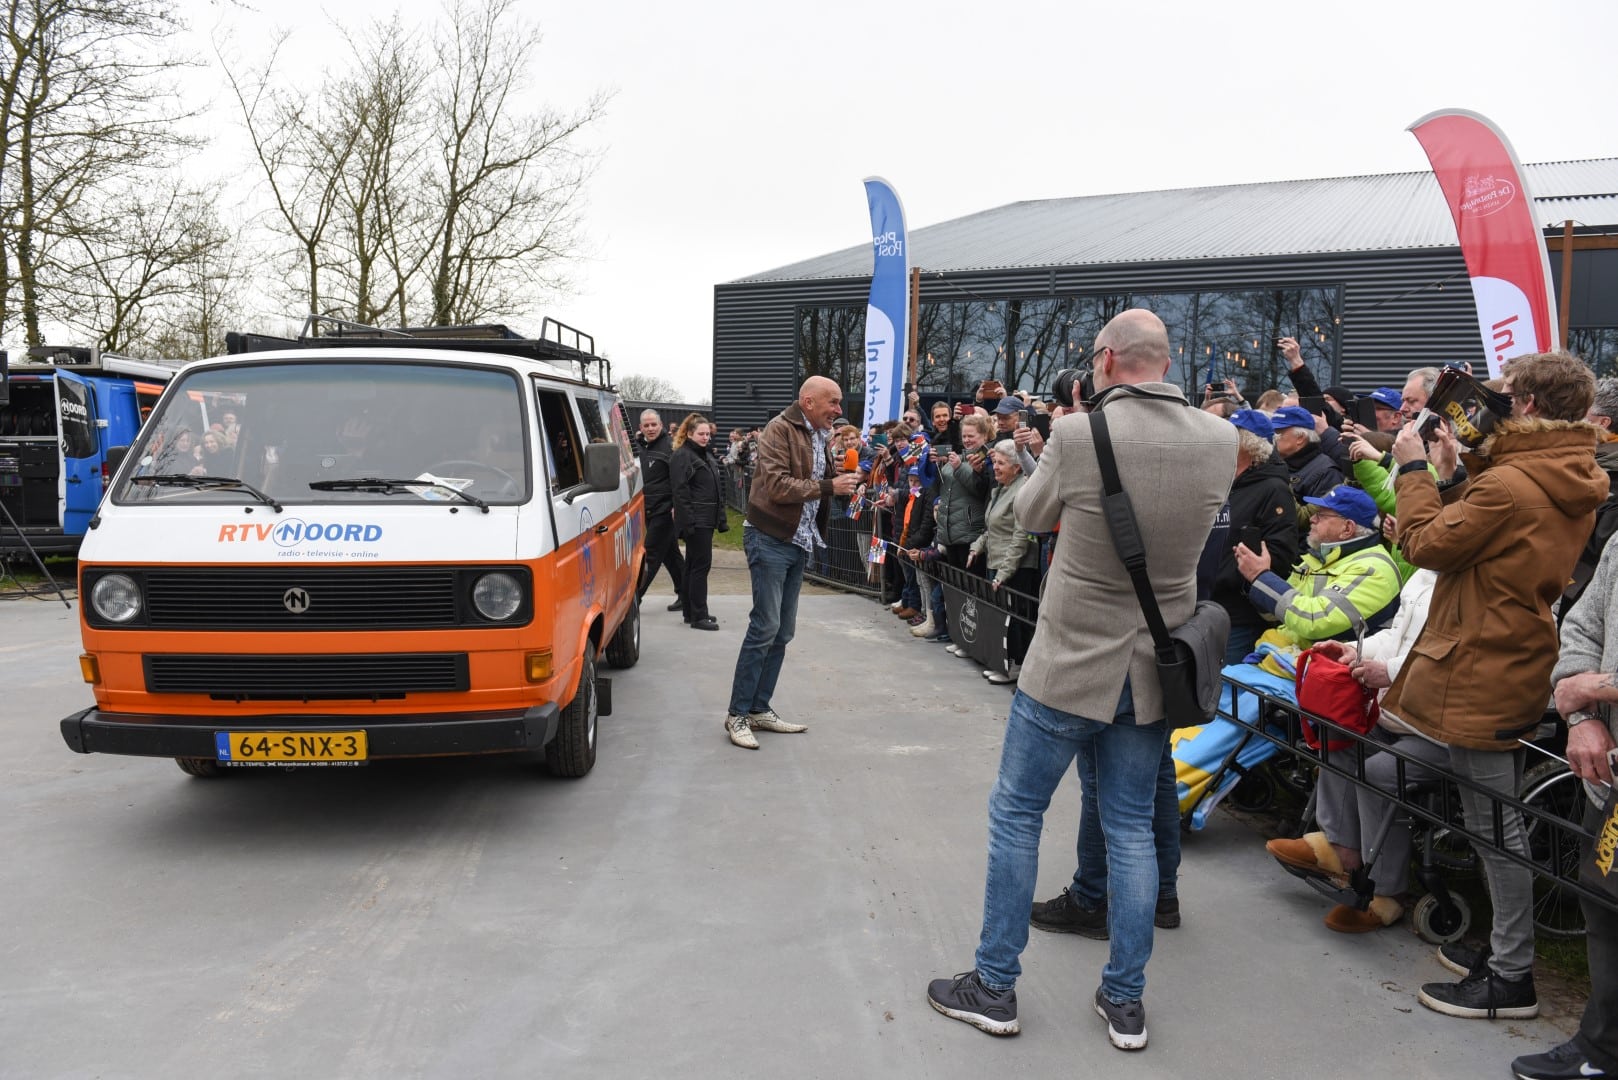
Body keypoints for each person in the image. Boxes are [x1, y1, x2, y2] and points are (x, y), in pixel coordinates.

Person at [926, 308, 1236, 1050]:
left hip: (1068, 662)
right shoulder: (1222, 439)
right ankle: (1125, 1001)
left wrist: (1055, 449)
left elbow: (1031, 513)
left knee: (1018, 814)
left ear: (1105, 359)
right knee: (1130, 829)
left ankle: (995, 986)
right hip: (1151, 667)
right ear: (1164, 361)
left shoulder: (1077, 432)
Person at [1381, 351, 1607, 1022]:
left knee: (1495, 829)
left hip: (1483, 661)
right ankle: (1507, 956)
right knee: (1492, 823)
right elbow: (1481, 542)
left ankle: (1511, 977)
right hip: (1501, 653)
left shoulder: (1512, 483)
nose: (1492, 401)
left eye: (1504, 393)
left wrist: (1415, 467)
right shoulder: (1560, 473)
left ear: (1529, 406)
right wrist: (1455, 472)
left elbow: (1423, 543)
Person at [1264, 560, 1446, 933]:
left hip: (1440, 729)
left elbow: (1450, 663)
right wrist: (1354, 649)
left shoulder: (1471, 582)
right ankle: (1339, 848)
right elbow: (1396, 634)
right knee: (1340, 735)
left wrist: (1390, 671)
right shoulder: (1427, 573)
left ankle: (1385, 891)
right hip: (1398, 712)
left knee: (1381, 771)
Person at [1523, 532, 1618, 1080]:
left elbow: (1589, 679)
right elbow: (1581, 627)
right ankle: (1600, 1048)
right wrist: (1582, 721)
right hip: (1606, 782)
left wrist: (1596, 688)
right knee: (1604, 908)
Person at [723, 376, 861, 750]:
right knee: (765, 626)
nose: (838, 409)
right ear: (808, 401)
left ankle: (758, 708)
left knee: (782, 631)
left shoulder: (818, 434)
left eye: (838, 403)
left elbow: (816, 480)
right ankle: (737, 715)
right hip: (769, 538)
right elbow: (779, 487)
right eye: (832, 402)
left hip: (798, 541)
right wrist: (832, 486)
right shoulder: (779, 430)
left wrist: (843, 478)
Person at [1211, 409, 1301, 662]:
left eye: (1231, 434)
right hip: (1207, 604)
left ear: (1248, 444)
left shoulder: (1274, 489)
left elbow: (1281, 554)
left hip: (1240, 615)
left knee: (1227, 692)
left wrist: (1239, 578)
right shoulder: (1221, 480)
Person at [966, 441, 1038, 684]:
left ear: (1017, 467)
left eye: (1000, 463)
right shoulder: (999, 489)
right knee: (1000, 616)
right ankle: (1004, 662)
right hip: (995, 561)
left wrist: (1004, 572)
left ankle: (1016, 665)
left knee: (1014, 618)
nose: (994, 467)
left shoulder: (1021, 491)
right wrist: (976, 548)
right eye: (994, 462)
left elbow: (1021, 536)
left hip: (1015, 567)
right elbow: (991, 529)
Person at [670, 414, 726, 631]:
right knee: (699, 566)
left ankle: (691, 611)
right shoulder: (683, 456)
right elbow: (680, 491)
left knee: (693, 566)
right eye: (701, 434)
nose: (705, 437)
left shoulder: (703, 455)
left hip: (705, 518)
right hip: (697, 519)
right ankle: (698, 614)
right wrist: (688, 522)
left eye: (707, 434)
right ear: (690, 433)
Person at [636, 410, 687, 615]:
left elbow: (679, 480)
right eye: (646, 426)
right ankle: (686, 594)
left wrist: (676, 505)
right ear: (641, 428)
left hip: (664, 511)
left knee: (651, 555)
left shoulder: (671, 448)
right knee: (671, 555)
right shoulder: (640, 447)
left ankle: (634, 601)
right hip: (647, 508)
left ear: (661, 425)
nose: (650, 429)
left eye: (653, 425)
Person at [1271, 405, 1343, 504]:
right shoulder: (1274, 462)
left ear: (1300, 438)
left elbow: (1323, 516)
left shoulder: (1326, 473)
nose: (1272, 437)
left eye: (1278, 433)